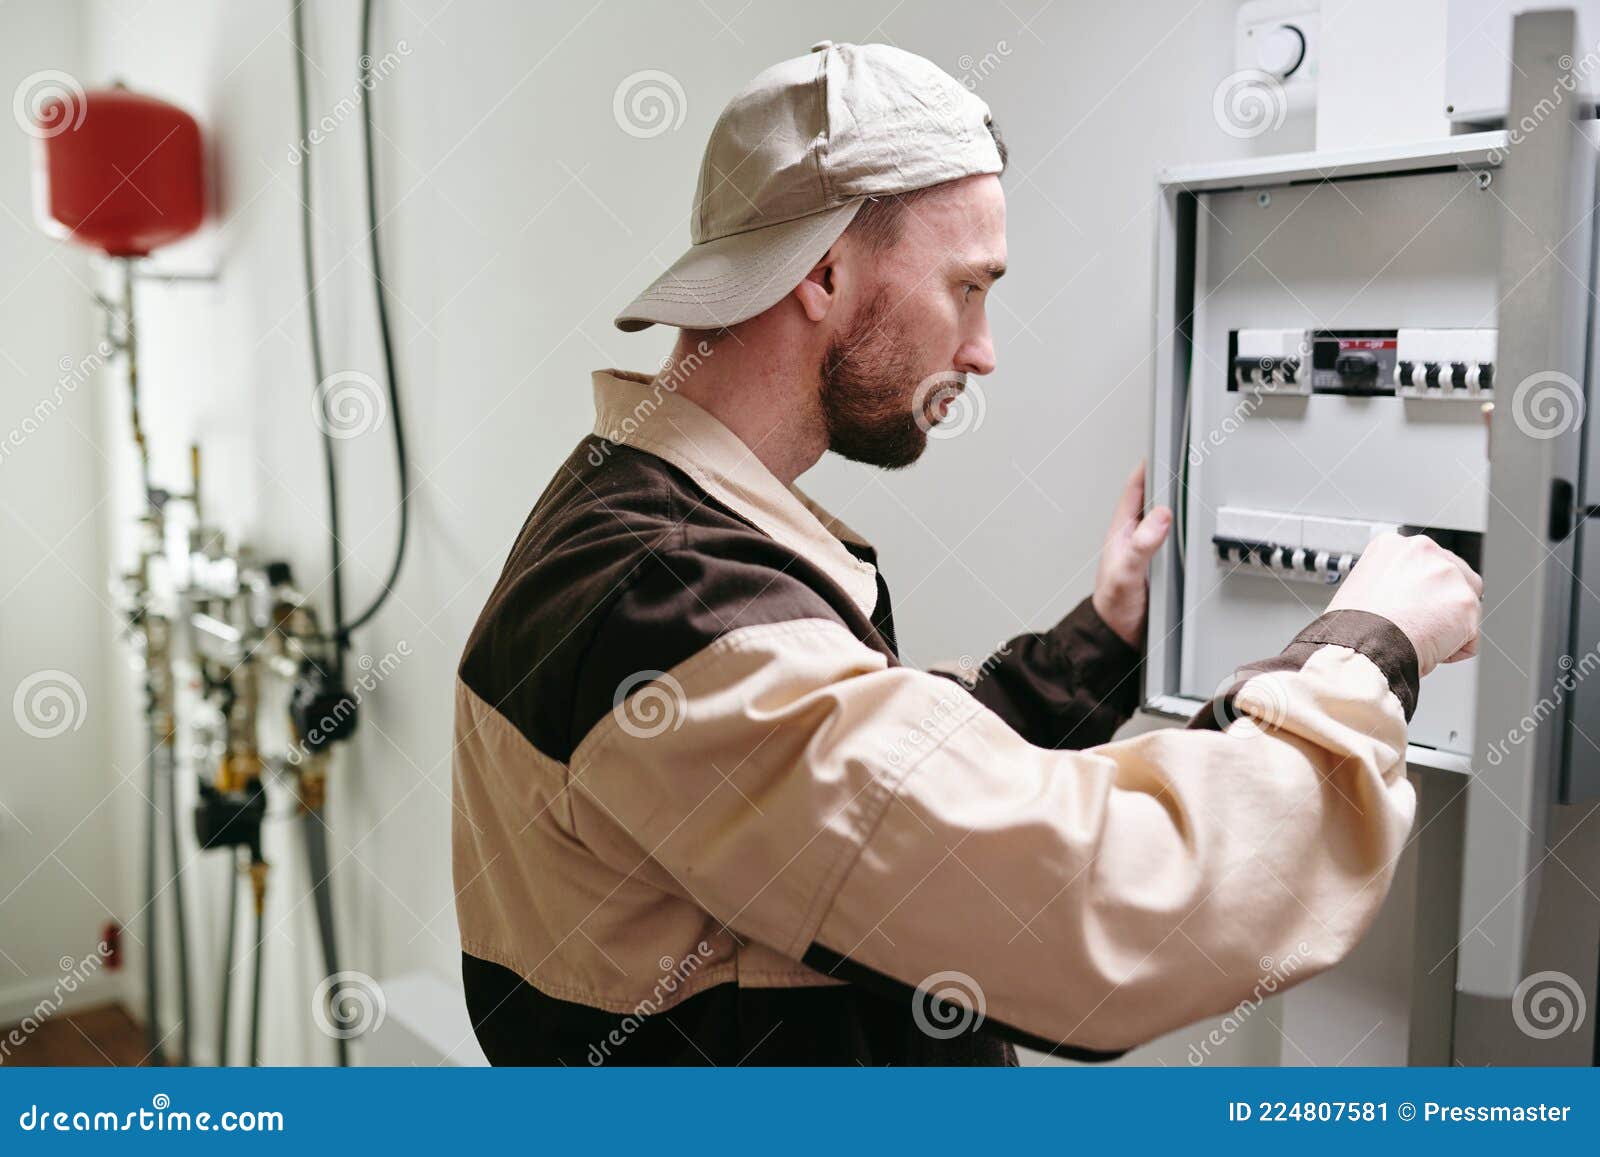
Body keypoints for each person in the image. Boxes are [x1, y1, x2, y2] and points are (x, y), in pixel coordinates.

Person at [451, 40, 1481, 1065]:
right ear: (823, 272)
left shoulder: (641, 516)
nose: (981, 350)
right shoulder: (672, 600)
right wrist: (1367, 647)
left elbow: (882, 810)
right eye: (967, 287)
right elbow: (1106, 907)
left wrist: (1099, 640)